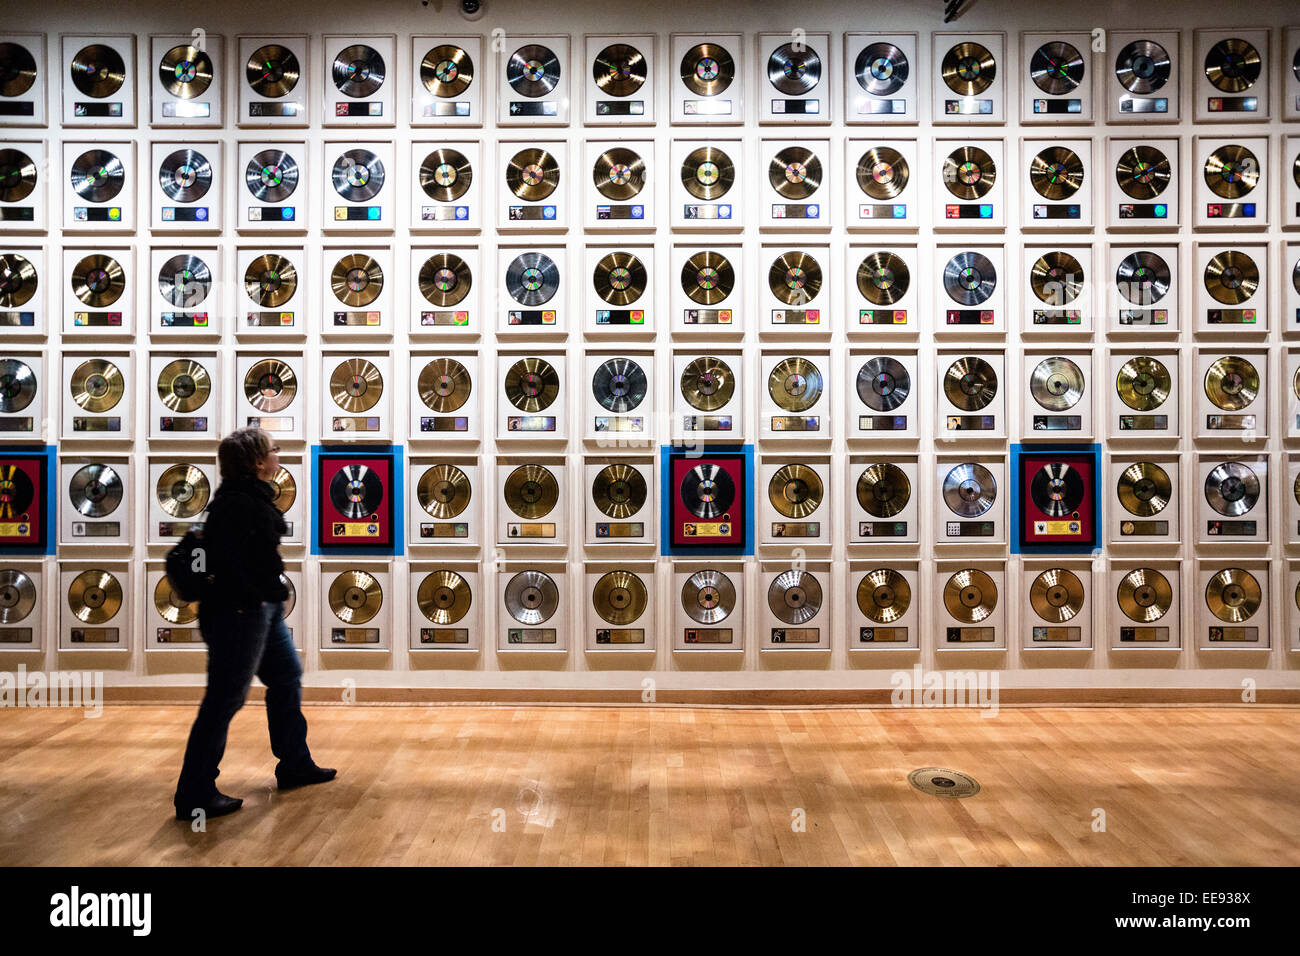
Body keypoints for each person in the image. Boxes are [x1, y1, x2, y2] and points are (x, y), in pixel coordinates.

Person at [173, 427, 336, 821]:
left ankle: (294, 763)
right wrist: (254, 598)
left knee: (285, 676)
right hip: (240, 614)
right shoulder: (238, 504)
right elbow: (234, 565)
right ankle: (194, 793)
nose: (278, 456)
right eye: (273, 451)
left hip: (259, 609)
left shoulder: (246, 498)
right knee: (224, 700)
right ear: (257, 462)